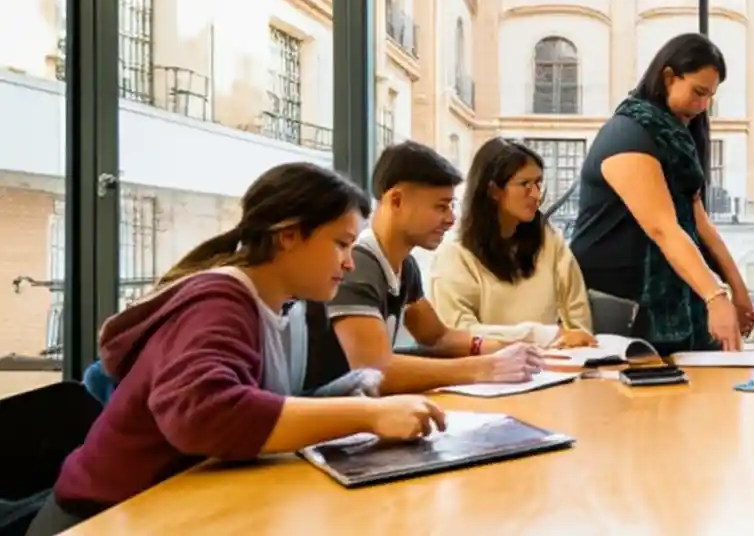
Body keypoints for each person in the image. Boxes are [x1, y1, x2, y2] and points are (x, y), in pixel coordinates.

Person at [27, 163, 448, 535]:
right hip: (104, 518)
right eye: (340, 244)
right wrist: (369, 415)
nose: (349, 262)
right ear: (288, 236)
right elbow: (203, 413)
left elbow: (256, 403)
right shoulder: (219, 302)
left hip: (176, 507)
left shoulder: (281, 306)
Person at [301, 142, 542, 395]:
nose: (450, 219)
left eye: (451, 206)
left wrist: (502, 348)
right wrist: (485, 367)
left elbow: (437, 337)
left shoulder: (405, 266)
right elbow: (376, 370)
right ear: (396, 200)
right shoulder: (357, 263)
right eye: (440, 206)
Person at [569, 33, 754, 353]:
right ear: (668, 77)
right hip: (617, 299)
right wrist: (714, 295)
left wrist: (738, 290)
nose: (702, 106)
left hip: (654, 296)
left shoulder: (678, 139)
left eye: (710, 96)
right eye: (697, 92)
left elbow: (699, 223)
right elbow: (664, 227)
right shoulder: (626, 134)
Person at [432, 138, 595, 348]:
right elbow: (457, 331)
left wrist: (581, 350)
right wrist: (537, 335)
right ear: (493, 190)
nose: (536, 195)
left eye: (538, 183)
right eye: (525, 184)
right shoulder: (455, 253)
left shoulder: (549, 239)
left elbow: (577, 315)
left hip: (556, 365)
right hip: (489, 370)